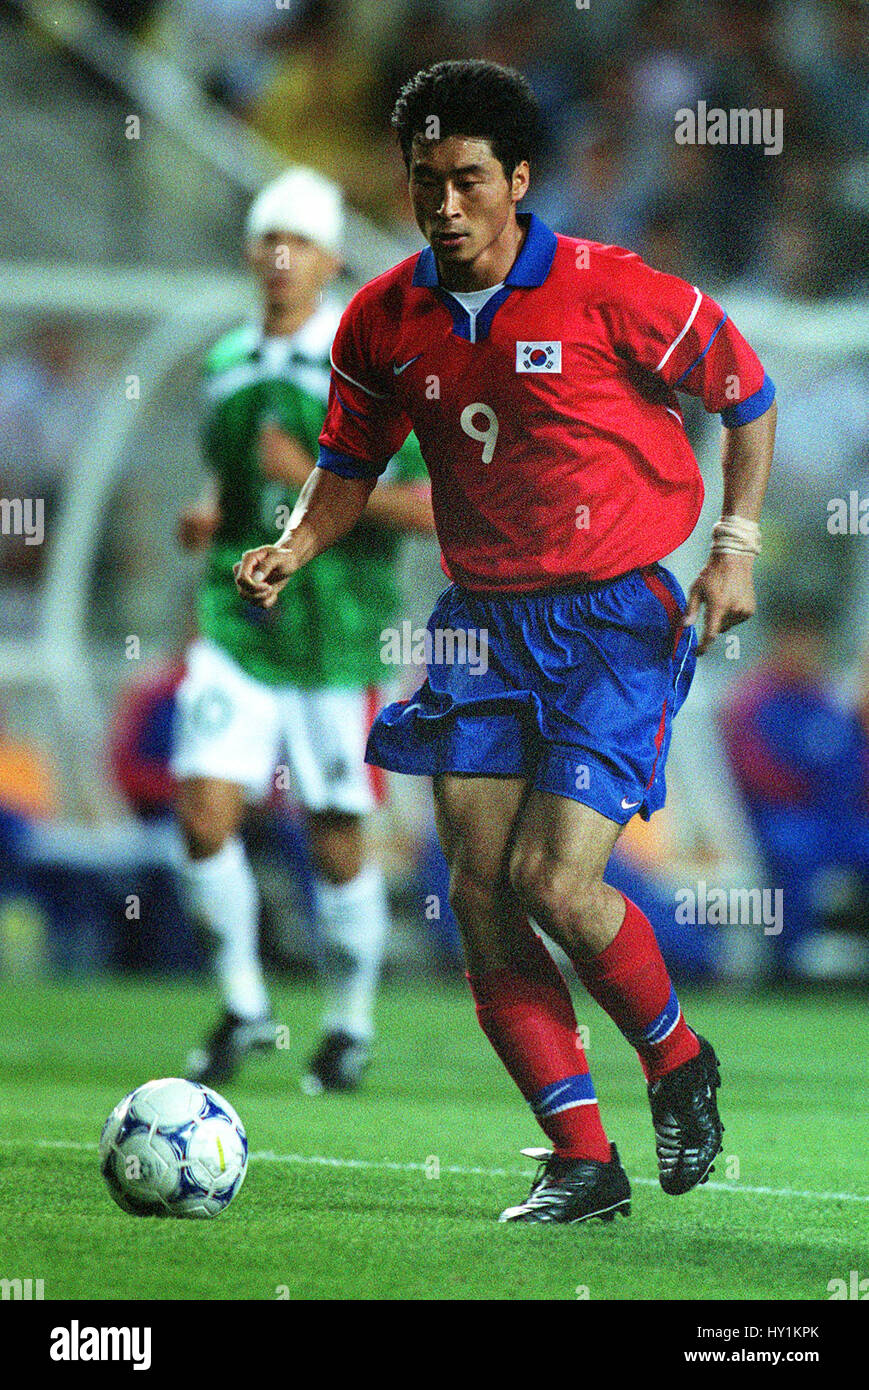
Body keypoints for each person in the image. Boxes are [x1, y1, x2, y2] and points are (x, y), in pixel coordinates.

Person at [235, 62, 777, 1225]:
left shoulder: (607, 288)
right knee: (478, 891)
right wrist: (294, 542)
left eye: (466, 179)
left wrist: (731, 544)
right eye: (424, 180)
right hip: (481, 622)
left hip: (614, 614)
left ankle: (676, 1058)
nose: (442, 203)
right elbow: (346, 467)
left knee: (550, 878)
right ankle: (582, 1159)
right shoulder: (384, 319)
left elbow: (745, 387)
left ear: (517, 181)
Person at [173, 166, 434, 1092]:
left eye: (300, 245)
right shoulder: (224, 366)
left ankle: (349, 1025)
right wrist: (213, 511)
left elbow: (430, 505)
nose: (280, 261)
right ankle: (244, 1006)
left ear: (329, 261)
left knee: (334, 835)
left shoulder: (366, 371)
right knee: (203, 815)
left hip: (338, 639)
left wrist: (319, 488)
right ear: (252, 254)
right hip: (238, 625)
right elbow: (241, 483)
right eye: (267, 242)